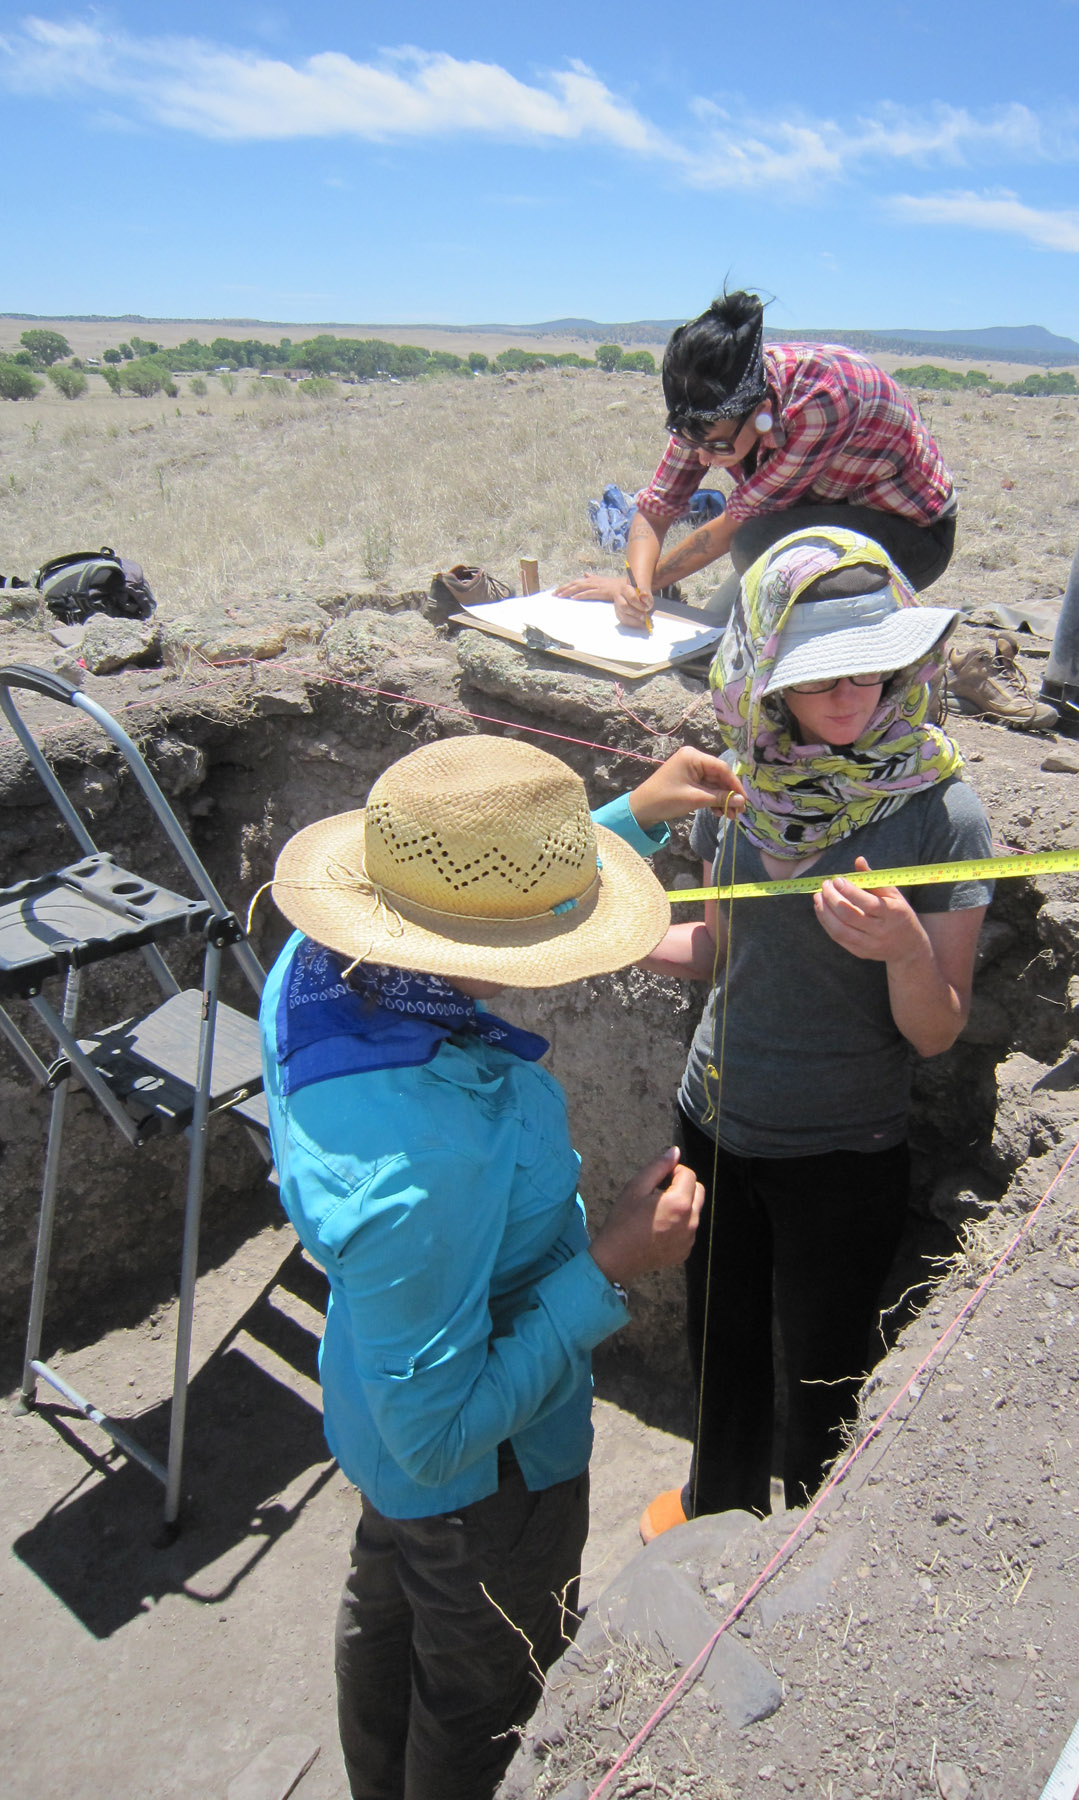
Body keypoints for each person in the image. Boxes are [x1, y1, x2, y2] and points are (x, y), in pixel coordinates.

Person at [258, 734, 742, 1800]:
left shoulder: (324, 964)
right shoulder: (428, 1162)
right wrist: (613, 1263)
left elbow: (475, 899)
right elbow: (440, 1440)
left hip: (377, 1389)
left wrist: (629, 821)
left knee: (389, 1599)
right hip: (491, 1477)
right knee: (486, 1693)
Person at [637, 526, 994, 1536]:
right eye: (820, 673)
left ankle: (809, 1553)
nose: (852, 696)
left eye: (875, 666)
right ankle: (719, 1518)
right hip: (713, 1119)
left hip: (842, 1150)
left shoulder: (942, 815)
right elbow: (715, 950)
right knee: (722, 1352)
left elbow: (937, 1032)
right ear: (762, 673)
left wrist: (906, 955)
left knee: (830, 1367)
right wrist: (615, 940)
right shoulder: (738, 788)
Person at [558, 290, 957, 631]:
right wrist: (636, 585)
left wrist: (635, 583)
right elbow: (655, 508)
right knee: (716, 632)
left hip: (911, 535)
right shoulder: (706, 407)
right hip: (814, 518)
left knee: (752, 550)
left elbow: (737, 528)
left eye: (717, 448)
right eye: (689, 441)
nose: (702, 458)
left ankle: (862, 640)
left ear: (763, 412)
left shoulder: (822, 401)